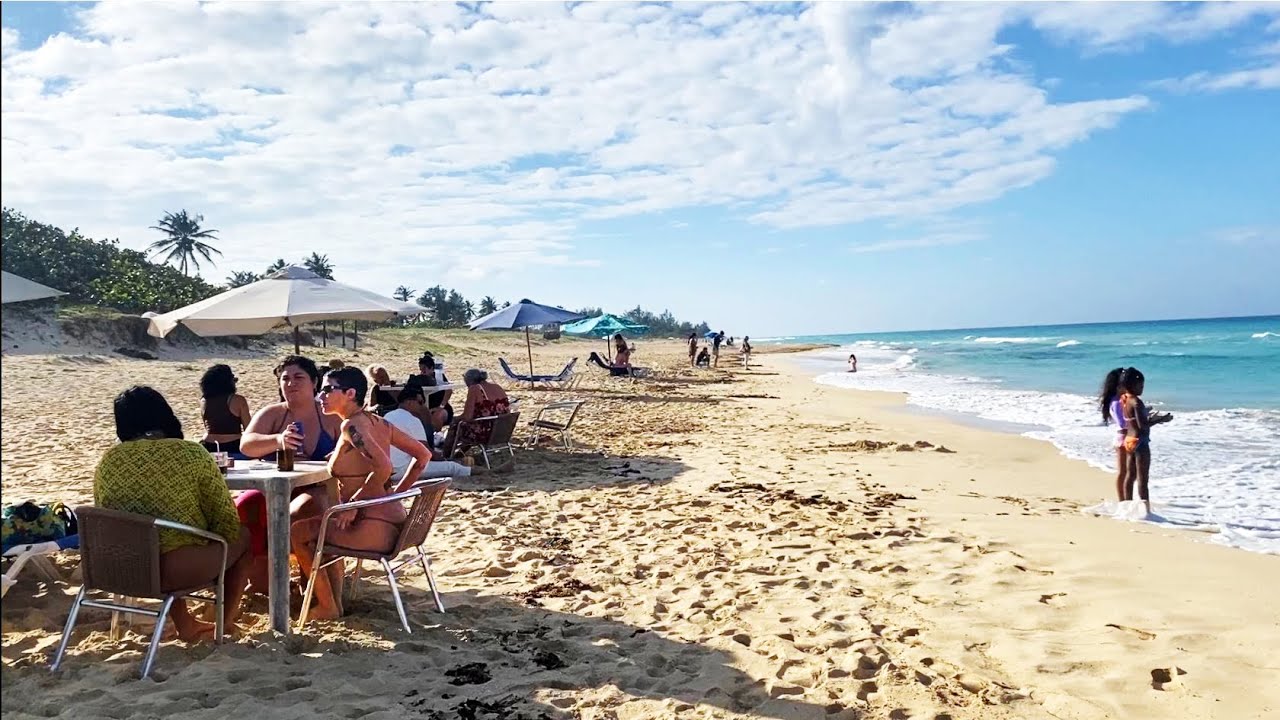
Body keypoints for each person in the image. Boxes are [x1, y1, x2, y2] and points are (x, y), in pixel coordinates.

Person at [94, 386, 253, 641]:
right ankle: (224, 623)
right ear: (165, 415)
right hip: (173, 570)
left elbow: (106, 515)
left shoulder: (109, 461)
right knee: (242, 537)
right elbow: (225, 520)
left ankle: (186, 623)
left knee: (157, 536)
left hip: (119, 567)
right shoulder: (190, 454)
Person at [290, 367, 432, 620]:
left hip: (371, 527)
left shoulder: (351, 426)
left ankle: (326, 605)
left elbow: (384, 466)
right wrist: (395, 495)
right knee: (321, 529)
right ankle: (328, 599)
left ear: (350, 393)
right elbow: (423, 455)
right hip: (397, 525)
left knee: (298, 533)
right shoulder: (379, 422)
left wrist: (355, 504)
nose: (319, 396)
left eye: (327, 389)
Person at [383, 382, 491, 478]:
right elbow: (426, 452)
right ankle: (485, 472)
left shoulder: (387, 416)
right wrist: (444, 460)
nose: (422, 407)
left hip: (386, 468)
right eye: (420, 403)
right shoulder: (412, 420)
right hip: (403, 469)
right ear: (410, 402)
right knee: (451, 467)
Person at [1114, 367, 1173, 515]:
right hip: (1140, 442)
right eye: (1140, 385)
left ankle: (1126, 506)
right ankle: (1145, 511)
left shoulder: (1124, 399)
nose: (1142, 388)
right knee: (1142, 479)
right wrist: (1159, 420)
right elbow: (1142, 425)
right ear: (1131, 385)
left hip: (1129, 440)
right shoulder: (1136, 402)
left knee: (1130, 475)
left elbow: (1132, 421)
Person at [442, 369, 512, 458]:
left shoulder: (475, 389)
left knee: (456, 425)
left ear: (469, 381)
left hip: (485, 433)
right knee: (468, 425)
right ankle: (459, 454)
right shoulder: (497, 387)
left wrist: (455, 419)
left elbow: (467, 417)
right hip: (502, 431)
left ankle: (446, 456)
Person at [199, 364, 252, 455]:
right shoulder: (238, 400)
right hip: (233, 445)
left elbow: (209, 426)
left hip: (208, 445)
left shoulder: (203, 400)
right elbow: (249, 429)